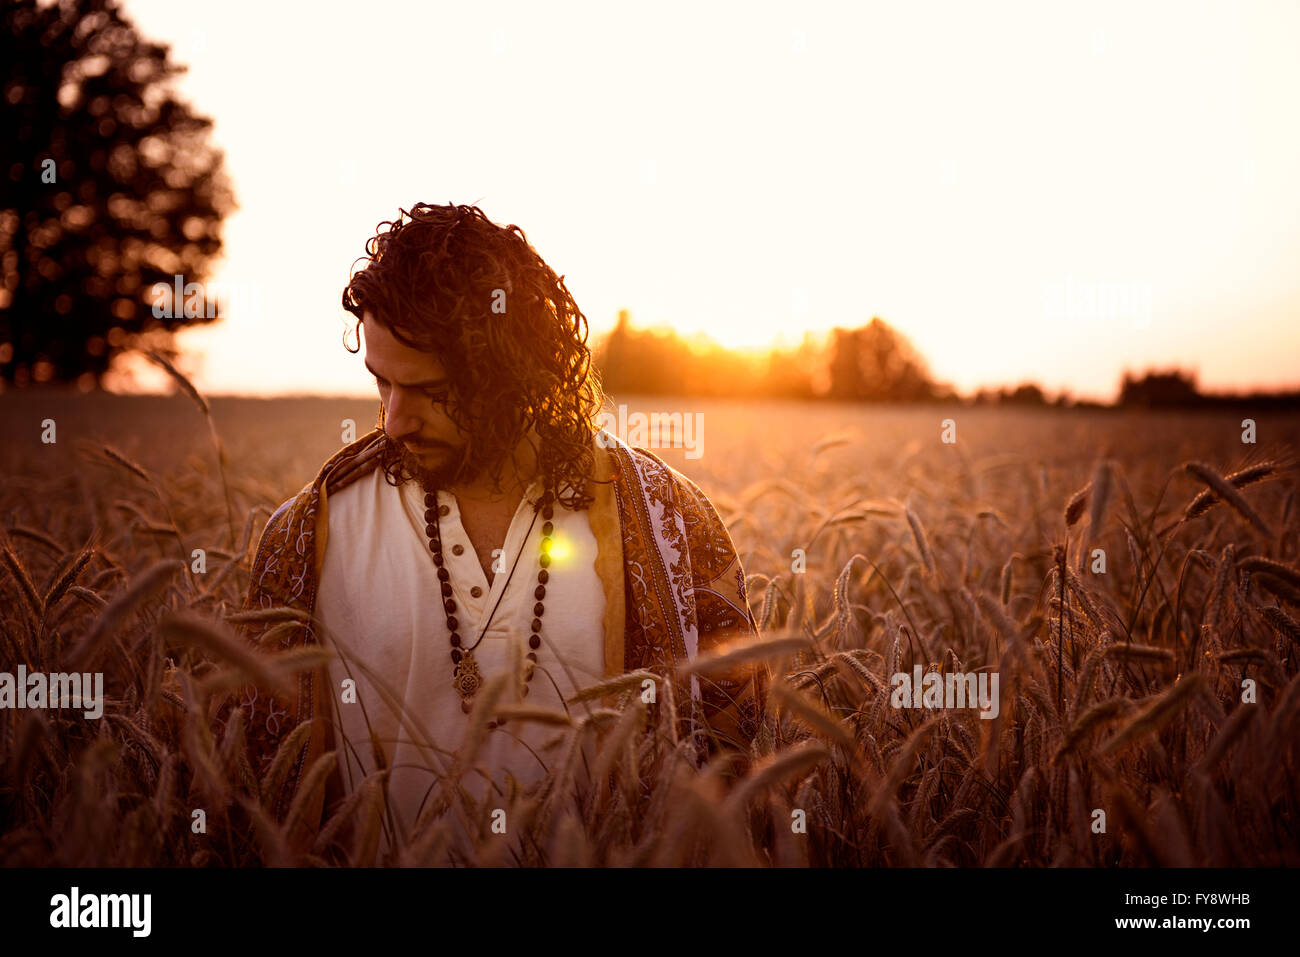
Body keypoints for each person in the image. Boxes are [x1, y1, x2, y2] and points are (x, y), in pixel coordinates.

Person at [213, 203, 768, 861]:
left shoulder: (668, 517)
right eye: (381, 382)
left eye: (428, 389)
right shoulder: (306, 537)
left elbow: (734, 765)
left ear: (514, 372)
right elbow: (254, 792)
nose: (393, 420)